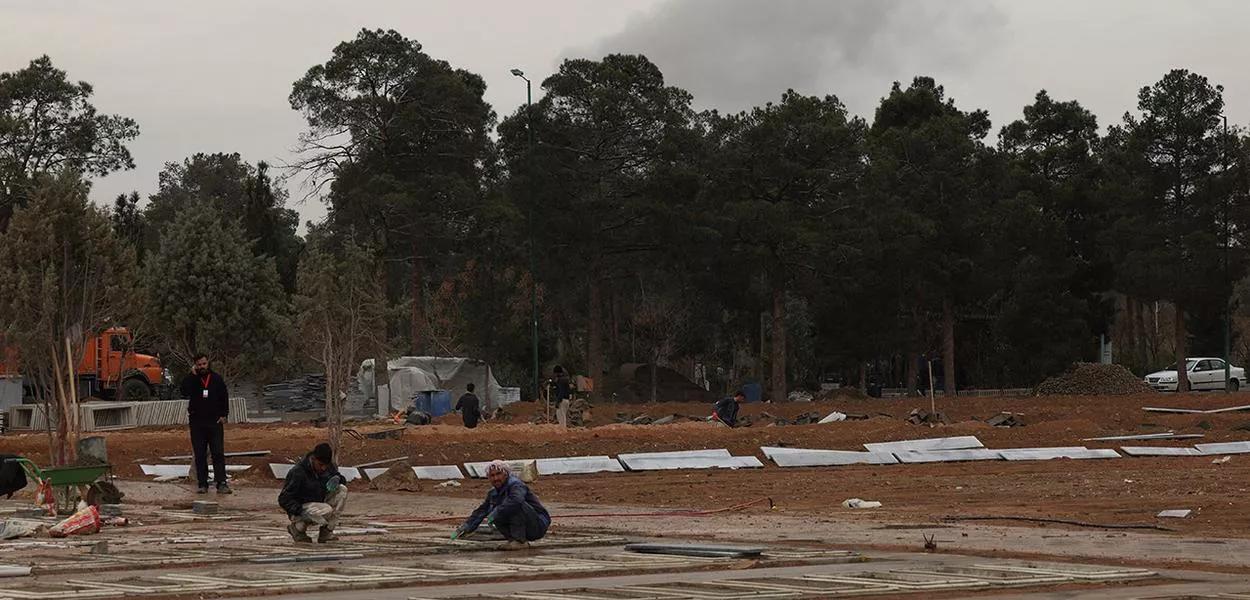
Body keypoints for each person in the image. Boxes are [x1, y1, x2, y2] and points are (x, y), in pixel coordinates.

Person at [452, 460, 550, 549]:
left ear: (506, 474)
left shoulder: (516, 485)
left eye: (498, 474)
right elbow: (482, 511)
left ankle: (519, 540)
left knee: (512, 505)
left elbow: (516, 500)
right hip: (526, 526)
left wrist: (496, 512)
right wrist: (467, 527)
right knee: (494, 508)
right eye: (492, 476)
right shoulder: (493, 493)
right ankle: (514, 540)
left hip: (537, 525)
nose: (496, 478)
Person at [180, 353, 230, 494]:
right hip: (197, 423)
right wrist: (192, 375)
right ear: (195, 365)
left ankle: (221, 482)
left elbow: (224, 397)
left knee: (217, 453)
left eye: (204, 364)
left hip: (214, 422)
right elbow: (184, 391)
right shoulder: (193, 380)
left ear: (208, 363)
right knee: (200, 454)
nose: (202, 367)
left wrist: (224, 415)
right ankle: (202, 484)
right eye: (199, 364)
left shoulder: (216, 379)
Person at [279, 442, 348, 544]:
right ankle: (298, 529)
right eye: (321, 465)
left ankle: (327, 531)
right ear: (313, 459)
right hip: (302, 508)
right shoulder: (298, 472)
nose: (323, 468)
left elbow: (338, 478)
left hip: (319, 503)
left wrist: (338, 479)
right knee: (327, 509)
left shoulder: (327, 467)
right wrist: (299, 510)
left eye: (326, 465)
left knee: (342, 490)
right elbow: (284, 499)